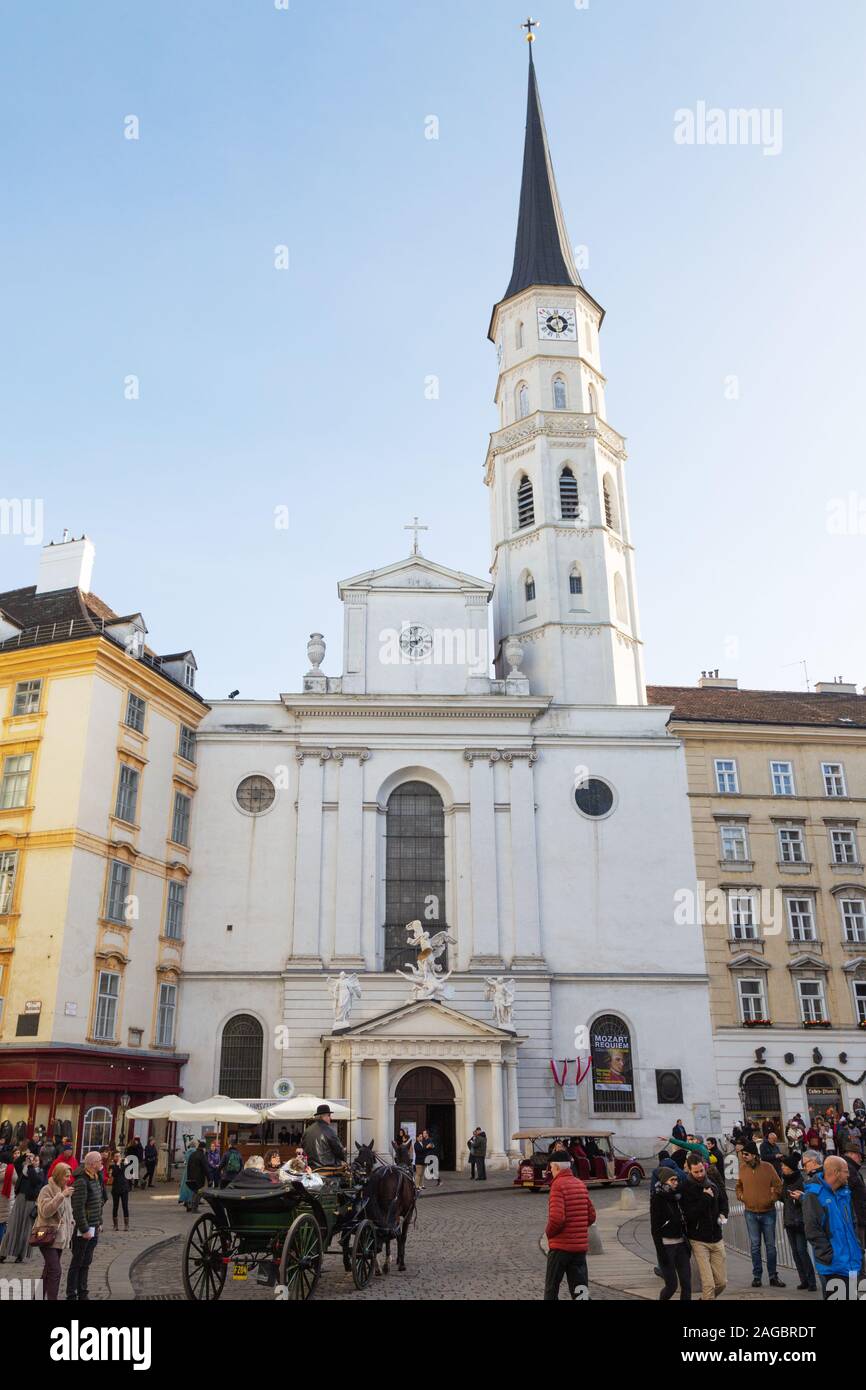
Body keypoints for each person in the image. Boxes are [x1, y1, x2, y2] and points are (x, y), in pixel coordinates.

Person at [803, 1154, 864, 1299]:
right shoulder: (814, 1195)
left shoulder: (845, 1192)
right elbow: (813, 1230)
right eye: (845, 1171)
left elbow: (853, 1223)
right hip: (834, 1266)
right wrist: (829, 1255)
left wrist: (858, 1247)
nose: (849, 1174)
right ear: (835, 1172)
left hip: (851, 1261)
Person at [543, 1154, 596, 1300]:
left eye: (551, 1168)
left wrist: (549, 1233)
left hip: (560, 1247)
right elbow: (591, 1216)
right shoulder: (580, 1184)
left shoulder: (557, 1186)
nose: (551, 1171)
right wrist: (577, 1228)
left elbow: (557, 1219)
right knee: (580, 1290)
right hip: (578, 1248)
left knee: (551, 1289)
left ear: (557, 1167)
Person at [736, 1140, 784, 1288]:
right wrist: (741, 1196)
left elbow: (778, 1185)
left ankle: (773, 1276)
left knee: (770, 1246)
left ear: (754, 1155)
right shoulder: (742, 1168)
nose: (743, 1156)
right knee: (755, 1246)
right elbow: (739, 1186)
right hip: (750, 1212)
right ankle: (757, 1276)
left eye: (746, 1154)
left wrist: (772, 1198)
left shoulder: (767, 1167)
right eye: (742, 1154)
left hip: (768, 1211)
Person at [679, 1152, 727, 1300]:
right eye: (696, 1172)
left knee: (721, 1283)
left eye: (701, 1170)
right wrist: (705, 1198)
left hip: (717, 1237)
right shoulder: (686, 1187)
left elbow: (723, 1202)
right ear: (689, 1170)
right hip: (699, 1240)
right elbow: (689, 1216)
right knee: (709, 1285)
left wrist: (723, 1214)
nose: (700, 1174)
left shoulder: (711, 1182)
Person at [66, 1151, 104, 1302]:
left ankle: (83, 1292)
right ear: (92, 1163)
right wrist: (84, 1228)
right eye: (100, 1160)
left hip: (93, 1225)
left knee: (86, 1262)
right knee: (77, 1261)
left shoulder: (95, 1177)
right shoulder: (82, 1181)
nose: (102, 1162)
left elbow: (97, 1202)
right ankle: (71, 1294)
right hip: (85, 1228)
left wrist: (99, 1222)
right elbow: (78, 1207)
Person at [34, 1160, 74, 1300]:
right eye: (66, 1176)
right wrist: (61, 1196)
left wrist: (72, 1225)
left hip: (60, 1237)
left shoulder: (65, 1189)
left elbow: (68, 1213)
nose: (68, 1179)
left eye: (69, 1176)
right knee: (55, 1271)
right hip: (45, 1235)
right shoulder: (47, 1189)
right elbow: (45, 1211)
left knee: (48, 1271)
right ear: (58, 1175)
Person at [650, 1165, 691, 1301]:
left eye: (676, 1180)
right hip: (666, 1246)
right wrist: (660, 1252)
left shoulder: (678, 1196)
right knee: (672, 1286)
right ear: (664, 1181)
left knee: (686, 1284)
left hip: (681, 1245)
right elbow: (655, 1229)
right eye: (672, 1180)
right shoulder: (657, 1199)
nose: (675, 1182)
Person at [780, 1152, 817, 1292]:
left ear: (790, 1167)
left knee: (802, 1251)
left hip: (799, 1221)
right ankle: (804, 1280)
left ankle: (811, 1281)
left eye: (784, 1165)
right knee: (795, 1252)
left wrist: (797, 1200)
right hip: (789, 1220)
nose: (782, 1167)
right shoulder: (785, 1180)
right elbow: (784, 1198)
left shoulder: (801, 1181)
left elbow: (807, 1201)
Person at [0, 1147, 44, 1262]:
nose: (33, 1161)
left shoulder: (40, 1172)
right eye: (32, 1159)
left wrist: (30, 1166)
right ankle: (4, 1253)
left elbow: (35, 1181)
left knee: (26, 1229)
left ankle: (20, 1255)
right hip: (20, 1199)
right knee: (12, 1226)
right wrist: (25, 1156)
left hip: (30, 1202)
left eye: (36, 1160)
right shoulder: (24, 1169)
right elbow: (16, 1162)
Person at [301, 1105, 348, 1169]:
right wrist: (343, 1157)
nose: (331, 1118)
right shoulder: (329, 1131)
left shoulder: (307, 1131)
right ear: (323, 1116)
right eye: (329, 1115)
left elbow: (303, 1148)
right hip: (327, 1168)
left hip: (310, 1168)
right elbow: (339, 1150)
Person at [841, 1141, 866, 1250]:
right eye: (859, 1155)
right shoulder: (848, 1169)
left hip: (857, 1216)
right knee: (858, 1250)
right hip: (855, 1218)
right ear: (851, 1154)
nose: (861, 1158)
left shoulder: (851, 1168)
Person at [109, 1150, 131, 1231]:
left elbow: (129, 1172)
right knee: (115, 1206)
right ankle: (115, 1225)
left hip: (124, 1188)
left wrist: (127, 1164)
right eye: (116, 1156)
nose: (118, 1158)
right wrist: (117, 1165)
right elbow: (114, 1174)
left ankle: (126, 1225)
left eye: (119, 1156)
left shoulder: (123, 1164)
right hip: (116, 1188)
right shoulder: (112, 1165)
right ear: (113, 1157)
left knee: (125, 1206)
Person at [186, 1141, 209, 1211]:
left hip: (191, 1177)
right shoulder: (202, 1156)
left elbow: (188, 1166)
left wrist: (188, 1177)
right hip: (199, 1178)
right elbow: (206, 1168)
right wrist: (209, 1178)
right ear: (203, 1148)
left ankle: (192, 1206)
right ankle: (194, 1208)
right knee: (199, 1192)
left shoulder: (192, 1154)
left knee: (195, 1192)